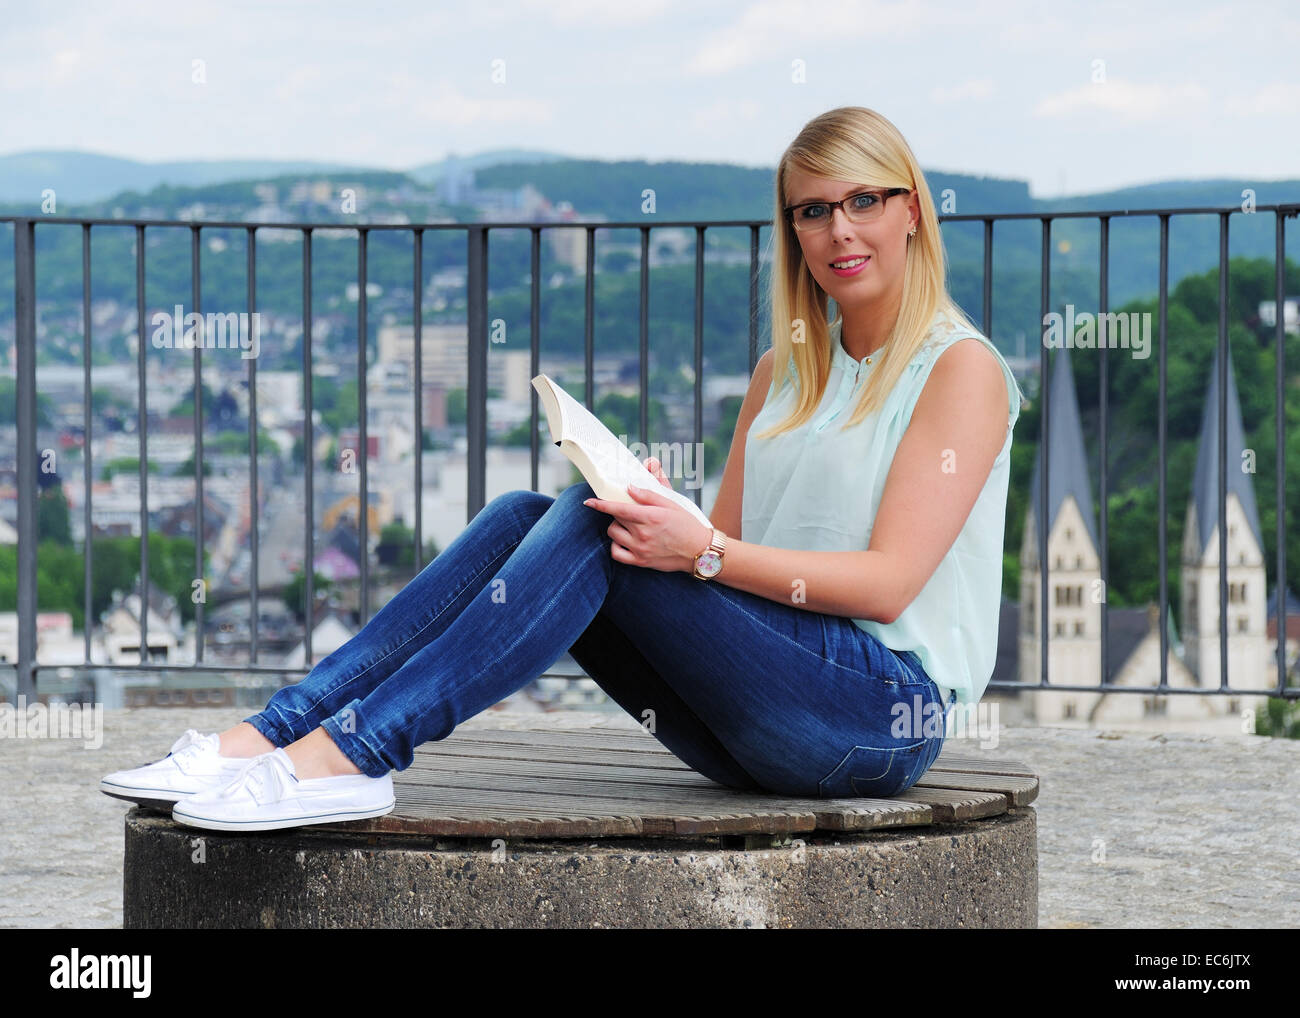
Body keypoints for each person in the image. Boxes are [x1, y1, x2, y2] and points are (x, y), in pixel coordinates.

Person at [100, 105, 1022, 832]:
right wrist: (667, 517)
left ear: (911, 209)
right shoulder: (783, 372)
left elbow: (892, 585)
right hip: (774, 705)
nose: (838, 230)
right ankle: (270, 734)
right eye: (814, 210)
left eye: (863, 200)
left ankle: (352, 756)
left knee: (585, 516)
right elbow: (735, 550)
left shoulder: (959, 369)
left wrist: (696, 552)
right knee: (525, 512)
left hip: (877, 717)